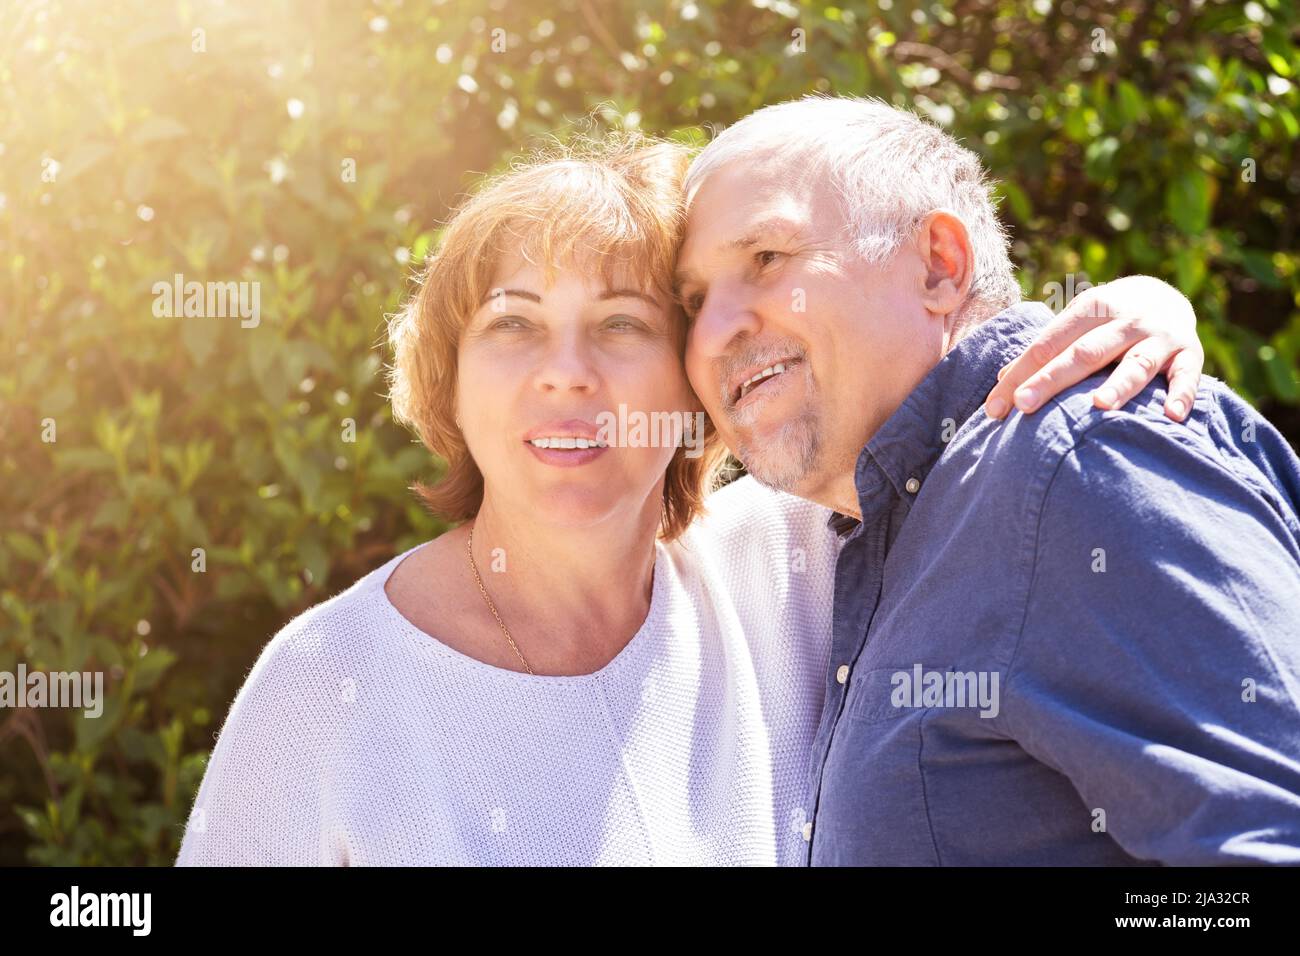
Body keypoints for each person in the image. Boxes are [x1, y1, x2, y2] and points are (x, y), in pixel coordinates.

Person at [176, 128, 1208, 866]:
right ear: (448, 380)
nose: (566, 373)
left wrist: (1139, 308)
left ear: (696, 379)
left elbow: (958, 401)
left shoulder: (802, 553)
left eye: (622, 324)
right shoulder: (325, 684)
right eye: (513, 325)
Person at [676, 94, 1300, 865]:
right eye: (693, 303)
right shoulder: (872, 527)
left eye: (767, 259)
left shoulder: (1083, 456)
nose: (715, 331)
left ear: (940, 265)